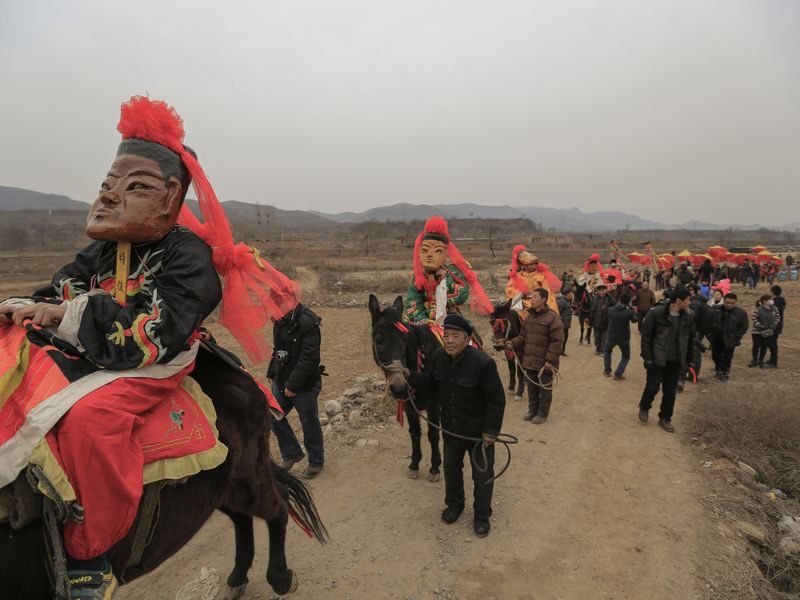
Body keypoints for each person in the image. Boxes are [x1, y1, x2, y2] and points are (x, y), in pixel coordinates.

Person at [0, 96, 298, 599]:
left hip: (155, 359)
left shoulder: (189, 255)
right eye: (108, 184)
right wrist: (31, 305)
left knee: (92, 421)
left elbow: (155, 329)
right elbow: (68, 283)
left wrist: (72, 311)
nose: (113, 196)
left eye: (135, 186)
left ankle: (91, 555)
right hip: (86, 345)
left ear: (170, 196)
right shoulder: (104, 245)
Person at [408, 315, 505, 537]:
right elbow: (431, 383)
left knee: (482, 477)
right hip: (451, 429)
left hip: (478, 434)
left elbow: (496, 399)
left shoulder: (483, 363)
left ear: (467, 339)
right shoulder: (438, 356)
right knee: (451, 471)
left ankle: (481, 515)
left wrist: (491, 431)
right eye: (446, 335)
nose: (449, 340)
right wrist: (408, 377)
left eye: (455, 336)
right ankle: (455, 505)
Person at [267, 302, 325, 478]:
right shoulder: (280, 320)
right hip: (282, 380)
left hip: (305, 384)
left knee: (309, 421)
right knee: (271, 414)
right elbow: (278, 350)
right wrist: (272, 372)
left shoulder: (308, 322)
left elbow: (310, 358)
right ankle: (292, 453)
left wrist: (293, 385)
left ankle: (316, 462)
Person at [404, 216, 493, 328]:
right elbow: (412, 299)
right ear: (419, 253)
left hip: (448, 315)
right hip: (422, 319)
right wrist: (421, 318)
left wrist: (444, 288)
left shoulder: (453, 273)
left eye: (437, 251)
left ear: (445, 255)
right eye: (425, 250)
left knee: (464, 336)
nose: (429, 255)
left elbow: (462, 294)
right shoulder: (417, 277)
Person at [638, 287, 700, 433]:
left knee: (670, 391)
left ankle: (665, 418)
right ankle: (644, 407)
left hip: (675, 360)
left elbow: (692, 340)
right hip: (657, 359)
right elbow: (646, 337)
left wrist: (690, 360)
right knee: (652, 387)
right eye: (688, 299)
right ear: (678, 300)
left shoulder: (688, 316)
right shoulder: (656, 313)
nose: (689, 302)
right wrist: (647, 357)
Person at [506, 288, 564, 424]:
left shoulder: (552, 318)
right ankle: (532, 410)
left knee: (544, 389)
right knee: (531, 388)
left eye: (535, 297)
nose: (532, 299)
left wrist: (550, 360)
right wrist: (512, 343)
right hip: (530, 360)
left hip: (545, 363)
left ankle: (542, 414)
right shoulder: (528, 317)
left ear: (544, 300)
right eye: (531, 297)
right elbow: (522, 337)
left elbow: (558, 341)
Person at [505, 245, 560, 320]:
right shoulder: (517, 277)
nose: (531, 266)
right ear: (524, 265)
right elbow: (509, 290)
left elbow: (548, 294)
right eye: (529, 265)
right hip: (520, 305)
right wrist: (521, 295)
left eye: (533, 264)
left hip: (538, 306)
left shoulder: (541, 277)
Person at [710, 293, 748, 382]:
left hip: (730, 338)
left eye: (732, 303)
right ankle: (718, 369)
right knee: (715, 355)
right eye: (727, 302)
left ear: (735, 303)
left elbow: (743, 326)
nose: (729, 305)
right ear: (724, 301)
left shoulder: (741, 313)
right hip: (716, 337)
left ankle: (724, 373)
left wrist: (737, 336)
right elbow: (709, 321)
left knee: (727, 357)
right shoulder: (716, 309)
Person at [603, 293, 637, 380]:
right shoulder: (629, 312)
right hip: (623, 337)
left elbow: (607, 318)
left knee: (607, 351)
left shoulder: (610, 310)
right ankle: (618, 373)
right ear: (628, 302)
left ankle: (607, 370)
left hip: (611, 335)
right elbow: (635, 320)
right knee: (625, 356)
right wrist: (633, 310)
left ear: (619, 300)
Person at [749, 294, 780, 368]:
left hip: (768, 331)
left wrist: (774, 324)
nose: (771, 301)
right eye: (769, 299)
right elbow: (754, 318)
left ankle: (761, 361)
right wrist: (760, 325)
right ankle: (754, 360)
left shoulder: (775, 308)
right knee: (756, 346)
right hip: (757, 331)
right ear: (764, 301)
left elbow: (778, 317)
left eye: (771, 299)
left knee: (764, 346)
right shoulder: (759, 309)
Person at [589, 284, 616, 355]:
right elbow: (592, 310)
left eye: (603, 290)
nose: (601, 292)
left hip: (606, 321)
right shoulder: (595, 298)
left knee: (604, 337)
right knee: (597, 337)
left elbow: (615, 305)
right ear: (598, 291)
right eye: (600, 291)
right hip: (596, 321)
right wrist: (590, 319)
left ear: (606, 291)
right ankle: (598, 348)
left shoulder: (610, 299)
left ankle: (603, 350)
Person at [768, 285, 786, 367]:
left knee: (772, 343)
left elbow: (774, 314)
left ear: (772, 292)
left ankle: (773, 362)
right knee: (772, 342)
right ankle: (772, 359)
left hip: (775, 324)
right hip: (779, 323)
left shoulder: (775, 302)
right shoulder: (781, 300)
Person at [556, 288, 574, 356]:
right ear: (568, 294)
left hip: (566, 324)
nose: (572, 295)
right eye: (571, 293)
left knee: (564, 338)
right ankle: (559, 351)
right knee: (561, 339)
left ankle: (562, 351)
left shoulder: (568, 301)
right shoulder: (561, 301)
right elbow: (557, 312)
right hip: (561, 324)